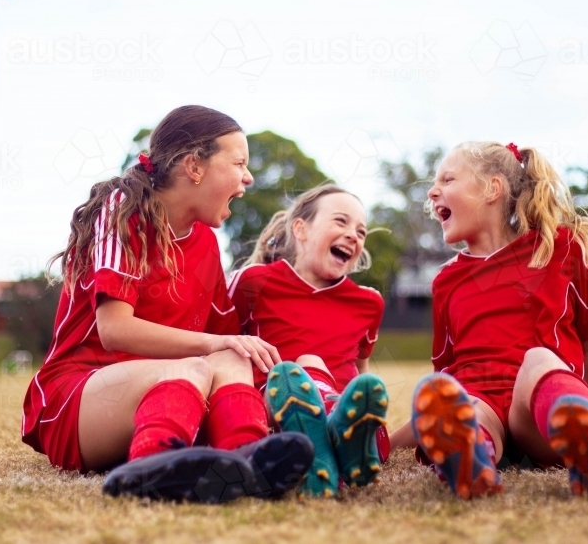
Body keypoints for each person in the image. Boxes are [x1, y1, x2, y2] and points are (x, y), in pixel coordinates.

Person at [22, 106, 313, 503]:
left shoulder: (207, 243)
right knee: (196, 365)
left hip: (173, 390)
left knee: (231, 358)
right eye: (239, 163)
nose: (248, 177)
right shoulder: (121, 210)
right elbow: (114, 330)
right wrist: (210, 346)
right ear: (194, 166)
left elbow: (225, 344)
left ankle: (248, 460)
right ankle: (152, 465)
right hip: (77, 397)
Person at [391, 142, 588, 498]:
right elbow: (446, 376)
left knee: (538, 360)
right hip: (482, 403)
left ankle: (586, 444)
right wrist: (387, 444)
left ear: (492, 189)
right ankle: (472, 458)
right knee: (460, 402)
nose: (433, 191)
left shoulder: (561, 247)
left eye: (448, 179)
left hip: (536, 417)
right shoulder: (445, 282)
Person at [228, 184, 388, 497]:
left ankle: (337, 438)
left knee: (315, 368)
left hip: (356, 426)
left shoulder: (369, 302)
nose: (353, 235)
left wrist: (373, 414)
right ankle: (330, 441)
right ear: (300, 229)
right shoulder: (255, 282)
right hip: (274, 419)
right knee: (299, 367)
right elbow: (223, 344)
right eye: (340, 222)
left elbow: (361, 371)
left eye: (361, 231)